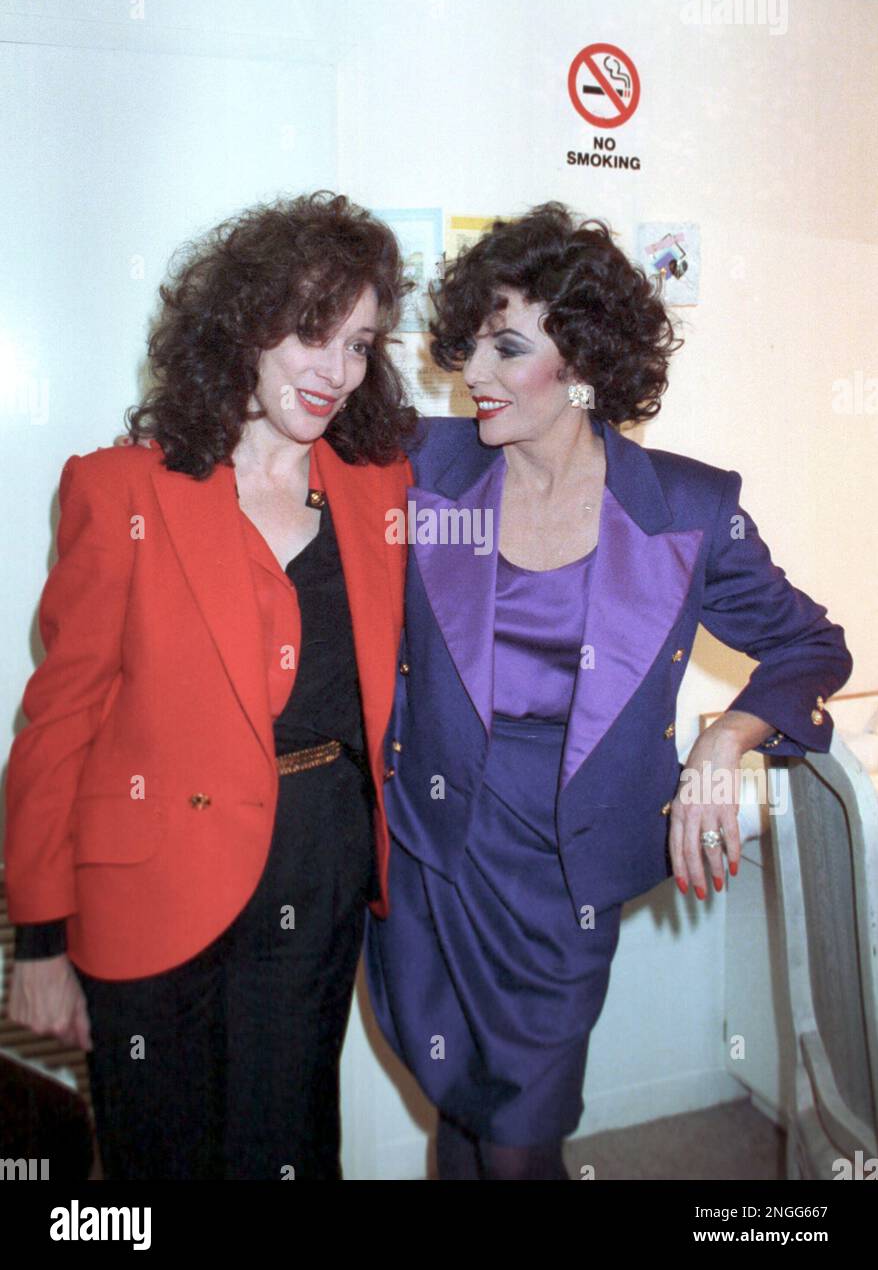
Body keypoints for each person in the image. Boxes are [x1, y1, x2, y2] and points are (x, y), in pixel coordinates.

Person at [364, 201, 854, 1181]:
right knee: (458, 1114)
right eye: (471, 345)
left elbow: (811, 645)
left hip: (560, 883)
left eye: (508, 348)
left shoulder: (682, 507)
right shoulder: (425, 469)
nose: (476, 374)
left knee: (518, 1137)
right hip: (430, 856)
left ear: (580, 356)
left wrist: (721, 745)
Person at [5, 190, 416, 1179]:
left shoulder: (380, 484)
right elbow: (56, 721)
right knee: (159, 1155)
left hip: (314, 859)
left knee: (285, 1148)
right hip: (148, 870)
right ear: (242, 320)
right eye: (312, 328)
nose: (335, 369)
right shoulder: (120, 487)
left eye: (359, 343)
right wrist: (40, 939)